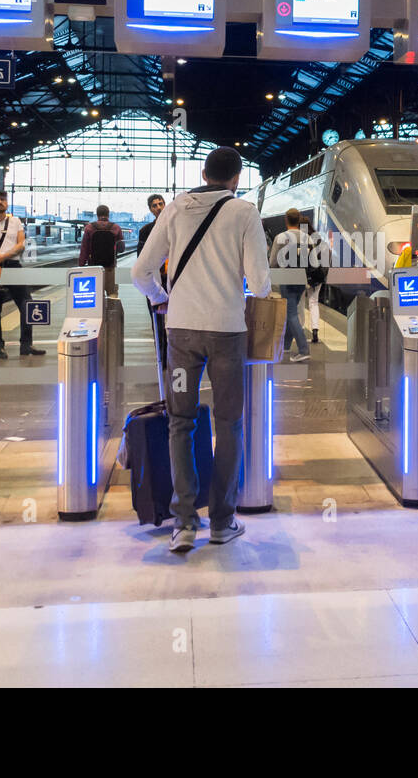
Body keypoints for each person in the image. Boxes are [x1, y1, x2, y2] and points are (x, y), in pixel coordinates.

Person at [132, 148, 272, 554]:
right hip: (227, 332)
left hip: (182, 333)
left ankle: (184, 523)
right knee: (229, 423)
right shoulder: (244, 212)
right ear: (236, 178)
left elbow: (140, 272)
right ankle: (223, 522)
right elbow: (260, 284)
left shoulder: (175, 208)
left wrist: (163, 299)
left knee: (181, 421)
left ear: (204, 173)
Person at [0, 191, 43, 361]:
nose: (0, 203)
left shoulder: (15, 221)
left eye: (3, 200)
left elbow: (21, 244)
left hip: (13, 265)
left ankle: (26, 344)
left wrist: (4, 258)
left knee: (27, 305)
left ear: (7, 203)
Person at [268, 208, 311, 363]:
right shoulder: (307, 238)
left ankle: (304, 349)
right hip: (301, 278)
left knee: (291, 313)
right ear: (299, 220)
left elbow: (273, 261)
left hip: (287, 277)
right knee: (291, 311)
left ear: (286, 220)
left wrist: (270, 276)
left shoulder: (281, 237)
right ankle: (286, 346)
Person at [137, 193, 169, 368]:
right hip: (156, 282)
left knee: (177, 321)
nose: (158, 207)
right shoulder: (145, 231)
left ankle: (176, 356)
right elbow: (141, 260)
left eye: (161, 203)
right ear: (150, 209)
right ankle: (162, 357)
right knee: (157, 321)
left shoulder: (176, 226)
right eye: (154, 205)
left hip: (174, 281)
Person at [78, 204, 125, 297]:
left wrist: (81, 265)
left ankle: (99, 311)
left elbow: (84, 249)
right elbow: (122, 248)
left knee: (97, 295)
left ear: (97, 215)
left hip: (94, 267)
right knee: (112, 293)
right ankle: (112, 311)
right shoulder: (116, 227)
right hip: (111, 267)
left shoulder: (89, 228)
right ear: (108, 214)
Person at [303, 224, 329, 343]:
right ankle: (315, 331)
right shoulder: (322, 242)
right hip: (318, 277)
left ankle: (300, 330)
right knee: (314, 303)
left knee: (299, 303)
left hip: (306, 277)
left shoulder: (304, 242)